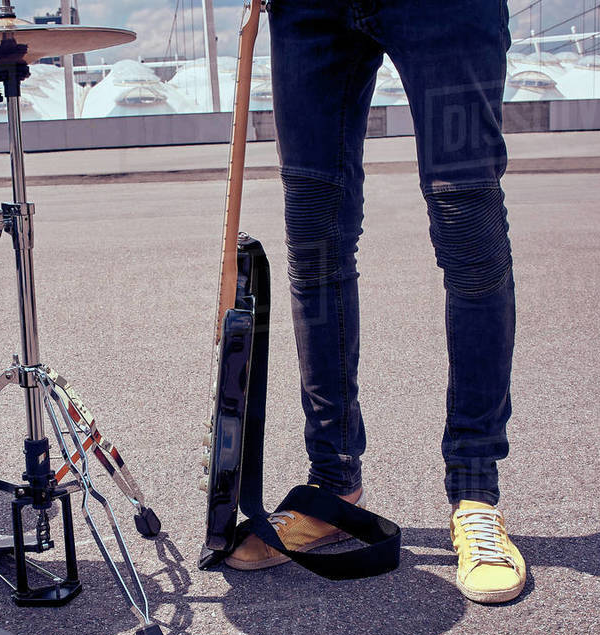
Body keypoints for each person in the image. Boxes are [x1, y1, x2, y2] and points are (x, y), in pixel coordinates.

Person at [225, 0, 526, 604]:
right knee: (315, 245)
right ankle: (333, 485)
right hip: (309, 7)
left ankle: (475, 492)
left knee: (469, 229)